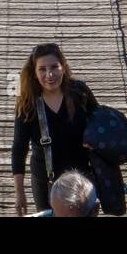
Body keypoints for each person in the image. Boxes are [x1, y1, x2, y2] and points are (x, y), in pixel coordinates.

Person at [12, 43, 99, 215]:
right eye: (42, 69)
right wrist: (19, 193)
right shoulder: (28, 104)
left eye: (54, 67)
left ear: (63, 67)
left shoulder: (79, 92)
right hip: (46, 183)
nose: (49, 75)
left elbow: (99, 123)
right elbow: (19, 148)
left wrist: (95, 141)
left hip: (80, 181)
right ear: (35, 74)